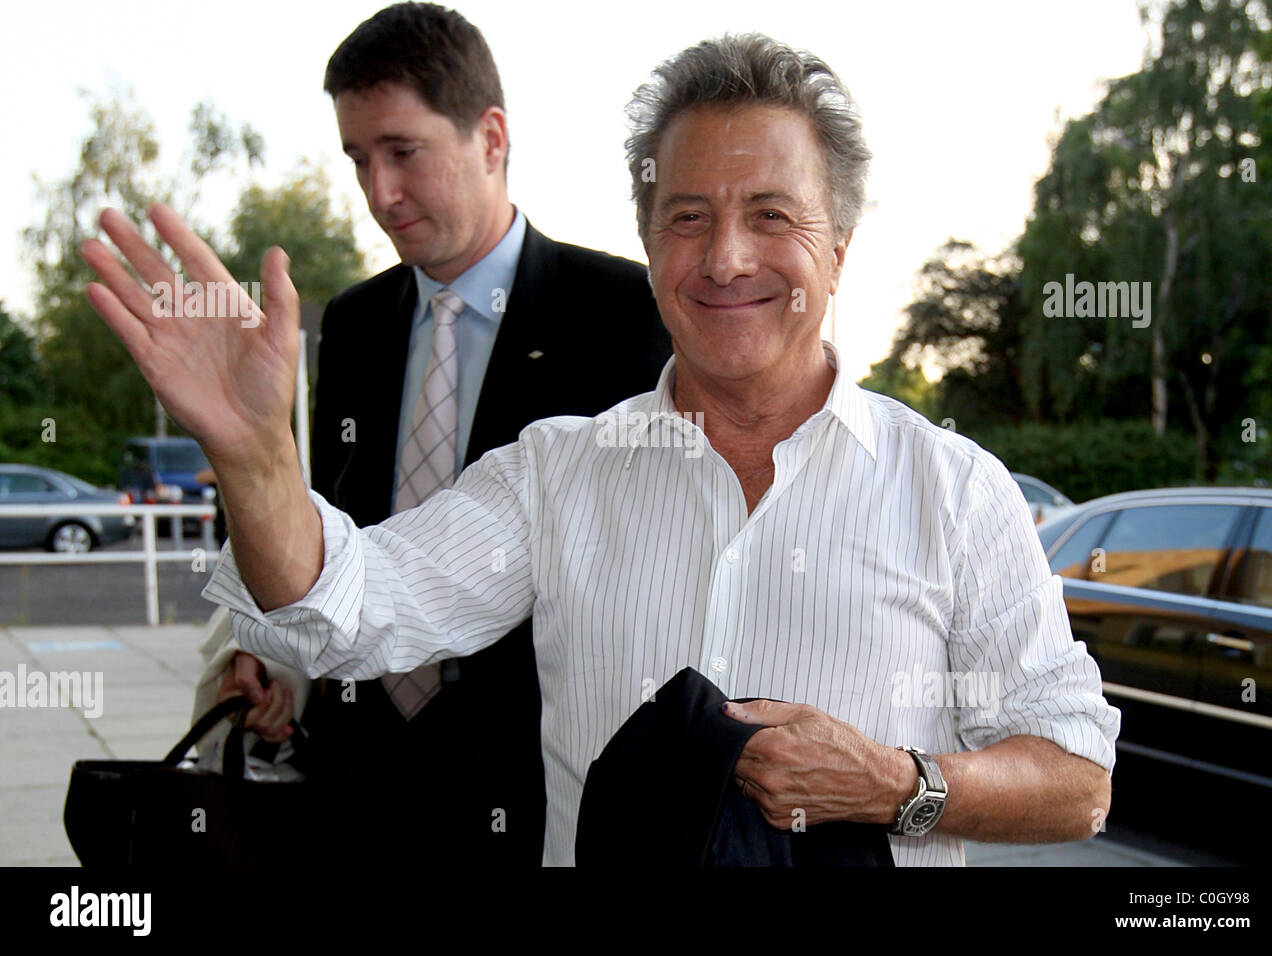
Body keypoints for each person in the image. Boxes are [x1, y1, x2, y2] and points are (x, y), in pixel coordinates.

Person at [82, 32, 1120, 867]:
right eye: (686, 216)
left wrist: (901, 785)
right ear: (649, 242)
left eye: (770, 214)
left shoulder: (954, 490)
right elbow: (348, 606)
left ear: (840, 246)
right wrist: (256, 455)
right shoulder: (555, 474)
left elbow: (1076, 773)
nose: (724, 255)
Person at [188, 2, 671, 867]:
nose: (379, 193)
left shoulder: (629, 315)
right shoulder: (357, 322)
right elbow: (336, 527)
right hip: (356, 784)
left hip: (539, 793)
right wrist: (268, 654)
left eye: (402, 151)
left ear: (491, 138)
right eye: (358, 159)